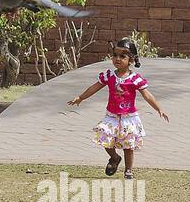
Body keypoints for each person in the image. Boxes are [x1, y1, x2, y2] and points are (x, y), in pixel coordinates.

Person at [67, 37, 168, 179]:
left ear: (131, 59)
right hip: (112, 116)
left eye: (122, 56)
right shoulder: (109, 76)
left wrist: (159, 108)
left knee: (128, 146)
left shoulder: (135, 79)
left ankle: (128, 170)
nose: (117, 59)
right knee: (104, 138)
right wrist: (81, 97)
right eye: (115, 55)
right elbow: (95, 87)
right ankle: (114, 158)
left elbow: (147, 95)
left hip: (129, 117)